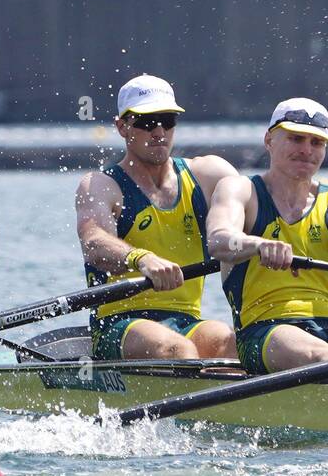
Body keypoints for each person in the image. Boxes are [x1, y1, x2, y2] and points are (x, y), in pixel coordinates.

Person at [206, 98, 328, 374]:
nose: (306, 150)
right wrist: (258, 244)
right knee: (327, 360)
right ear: (269, 140)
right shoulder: (241, 190)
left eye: (316, 143)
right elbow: (219, 241)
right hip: (263, 332)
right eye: (296, 139)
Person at [75, 74, 237, 360]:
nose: (159, 131)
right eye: (147, 122)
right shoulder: (101, 185)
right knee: (178, 349)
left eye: (167, 120)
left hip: (186, 320)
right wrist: (141, 259)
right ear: (122, 127)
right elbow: (94, 243)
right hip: (119, 322)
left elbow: (260, 213)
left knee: (230, 341)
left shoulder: (209, 175)